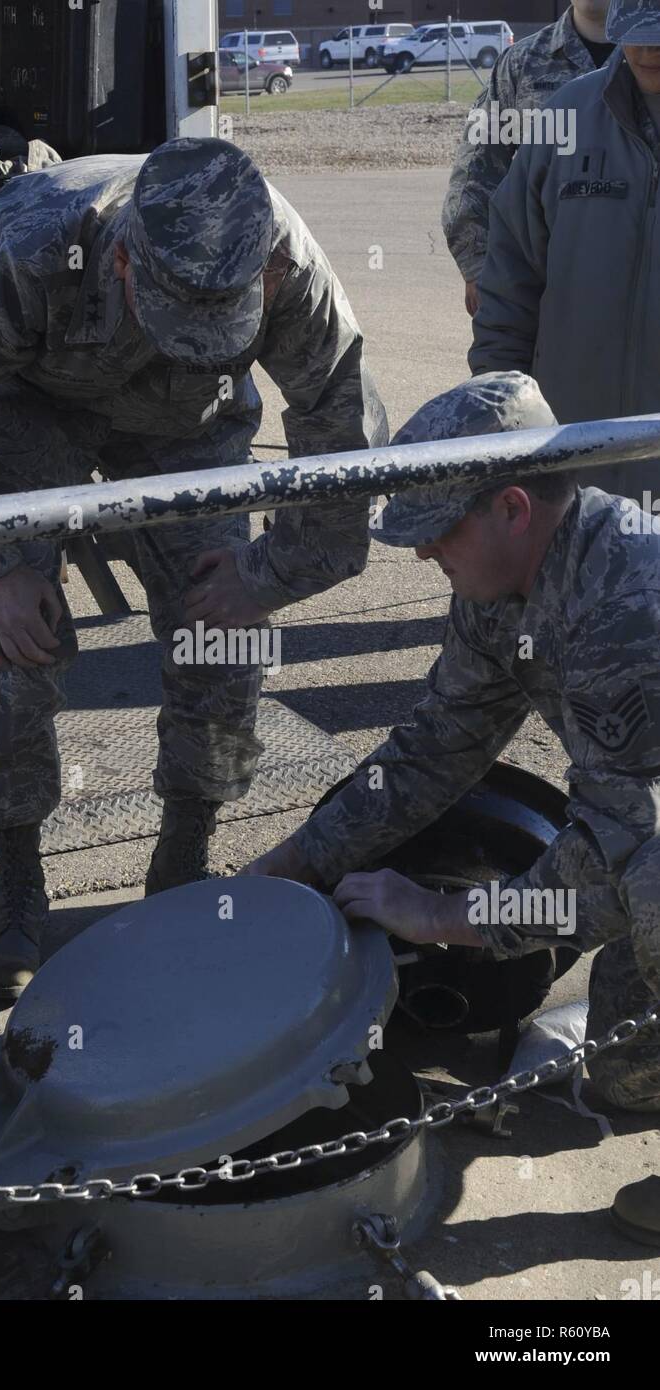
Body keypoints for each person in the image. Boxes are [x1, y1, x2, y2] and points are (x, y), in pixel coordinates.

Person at [0, 137, 387, 999]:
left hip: (193, 422)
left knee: (224, 637)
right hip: (35, 405)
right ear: (118, 261)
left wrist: (266, 576)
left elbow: (342, 439)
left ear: (262, 279)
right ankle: (16, 875)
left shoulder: (293, 270)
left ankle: (186, 844)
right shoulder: (30, 251)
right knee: (11, 643)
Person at [247, 370, 660, 1245]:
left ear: (514, 507)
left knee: (650, 895)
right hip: (638, 832)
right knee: (628, 1073)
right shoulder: (503, 588)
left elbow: (616, 863)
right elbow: (435, 745)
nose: (427, 554)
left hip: (649, 846)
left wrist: (447, 916)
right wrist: (299, 860)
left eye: (440, 534)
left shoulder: (625, 612)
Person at [469, 0, 660, 501]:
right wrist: (500, 406)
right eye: (636, 31)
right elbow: (511, 279)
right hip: (569, 461)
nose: (645, 49)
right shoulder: (567, 119)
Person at [443, 1, 614, 318]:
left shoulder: (648, 56)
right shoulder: (521, 66)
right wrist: (478, 265)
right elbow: (476, 173)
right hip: (546, 291)